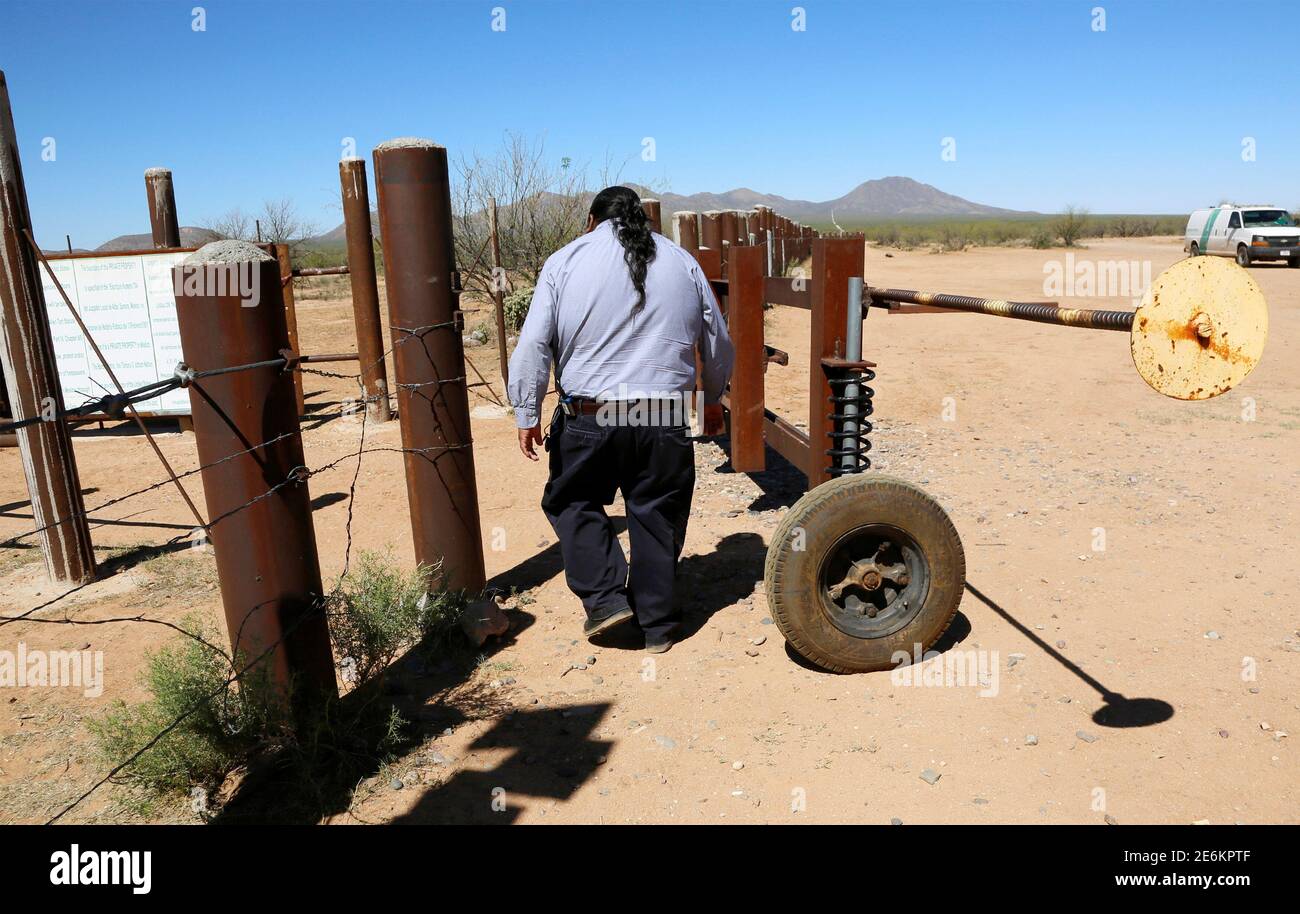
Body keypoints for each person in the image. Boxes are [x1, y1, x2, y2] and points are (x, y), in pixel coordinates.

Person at [508, 186, 734, 653]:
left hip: (591, 416)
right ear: (642, 219)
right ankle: (656, 625)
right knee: (657, 511)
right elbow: (719, 340)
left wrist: (527, 410)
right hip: (664, 416)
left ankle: (607, 601)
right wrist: (711, 397)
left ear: (592, 221)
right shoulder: (682, 261)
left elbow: (533, 344)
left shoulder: (565, 261)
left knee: (573, 501)